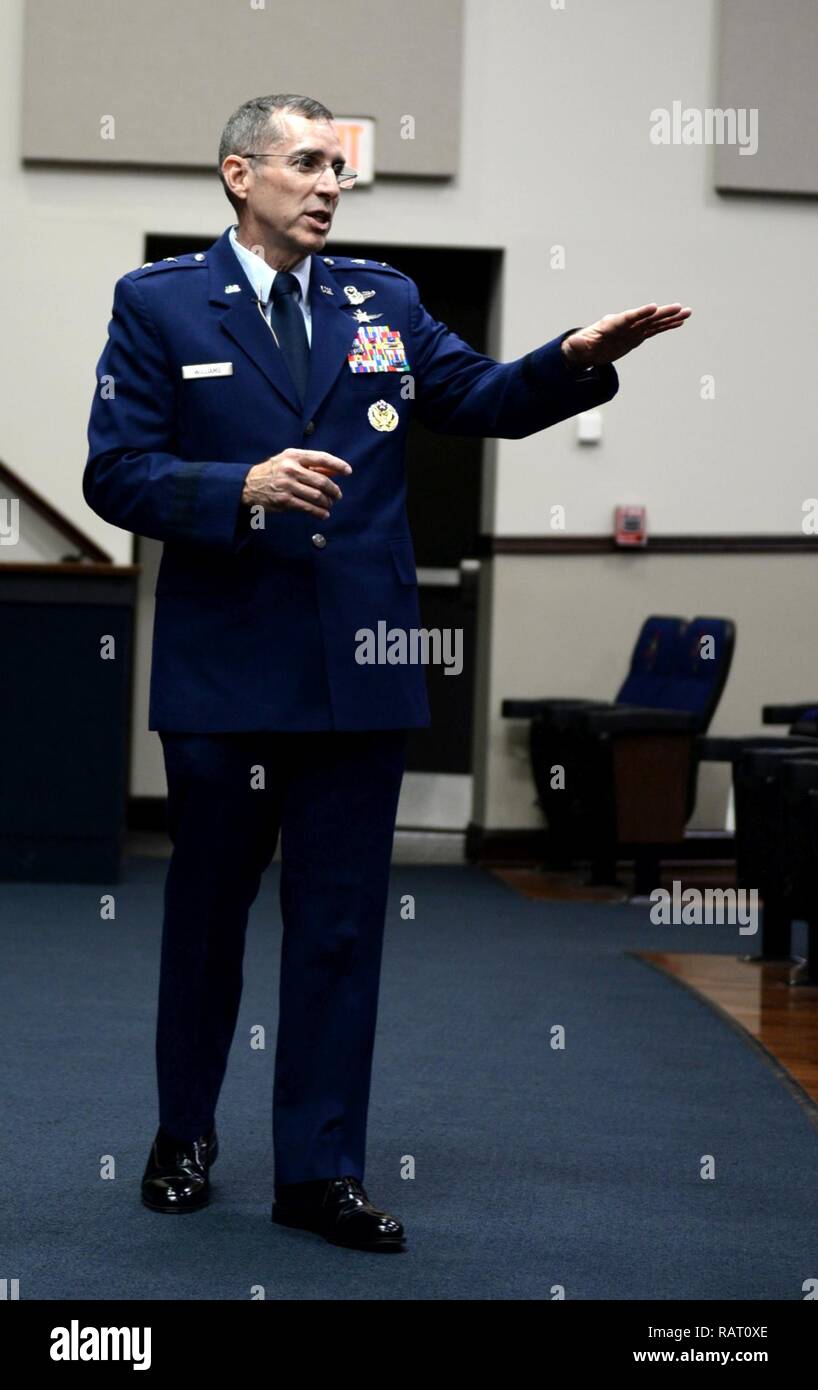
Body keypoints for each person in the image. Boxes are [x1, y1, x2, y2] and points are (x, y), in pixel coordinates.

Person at [83, 93, 691, 1254]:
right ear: (237, 176)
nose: (327, 185)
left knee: (340, 931)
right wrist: (238, 488)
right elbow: (115, 473)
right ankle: (182, 1135)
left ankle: (318, 1171)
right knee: (208, 923)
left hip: (362, 679)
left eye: (339, 170)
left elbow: (480, 399)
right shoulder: (157, 302)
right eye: (305, 164)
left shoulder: (384, 301)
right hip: (226, 680)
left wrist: (571, 359)